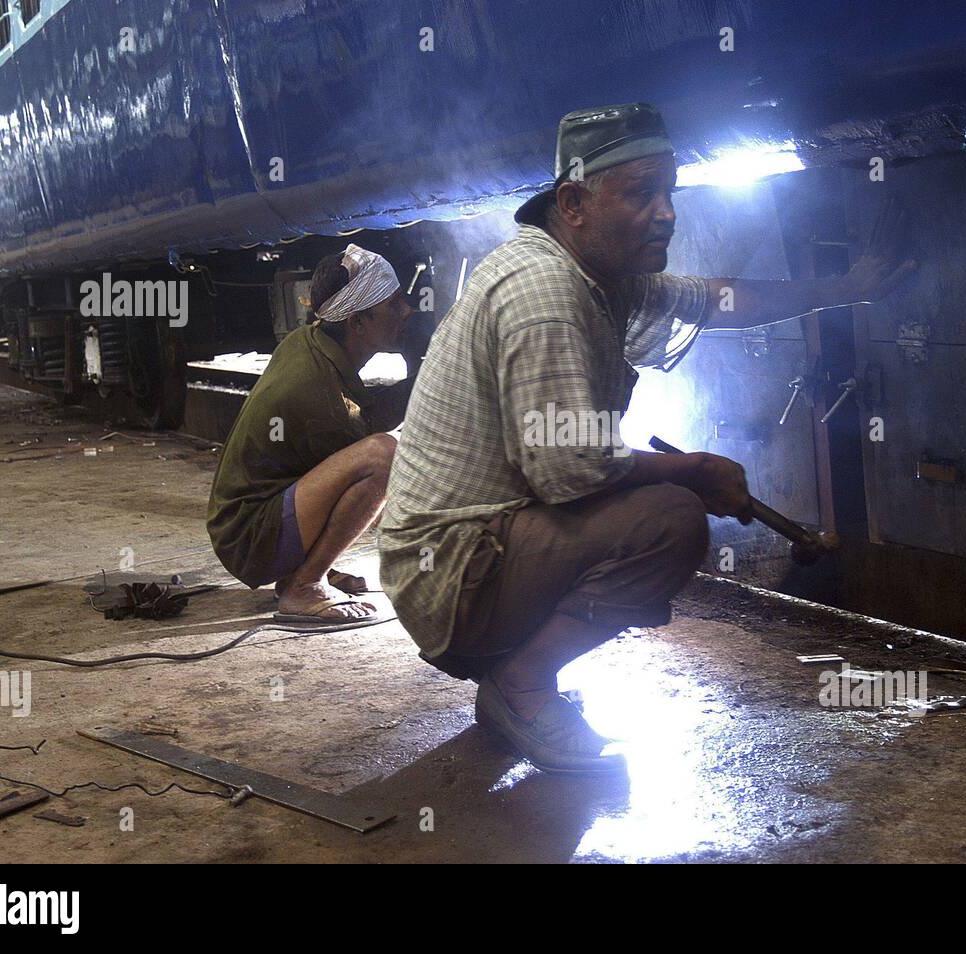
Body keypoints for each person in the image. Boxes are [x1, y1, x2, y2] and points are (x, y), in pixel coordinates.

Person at [379, 103, 911, 772]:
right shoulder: (545, 291)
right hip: (451, 573)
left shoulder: (600, 277)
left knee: (660, 508)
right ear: (572, 203)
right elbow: (568, 470)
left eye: (670, 191)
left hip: (472, 552)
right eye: (640, 194)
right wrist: (688, 471)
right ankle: (520, 685)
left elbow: (716, 298)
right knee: (669, 522)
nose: (667, 212)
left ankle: (511, 674)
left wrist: (842, 288)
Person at [207, 245, 412, 621]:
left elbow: (365, 416)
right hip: (250, 539)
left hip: (244, 521)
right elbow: (378, 495)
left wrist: (424, 384)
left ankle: (302, 571)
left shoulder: (310, 341)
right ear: (358, 322)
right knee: (384, 457)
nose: (407, 312)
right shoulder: (319, 391)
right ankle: (304, 585)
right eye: (394, 304)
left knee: (372, 459)